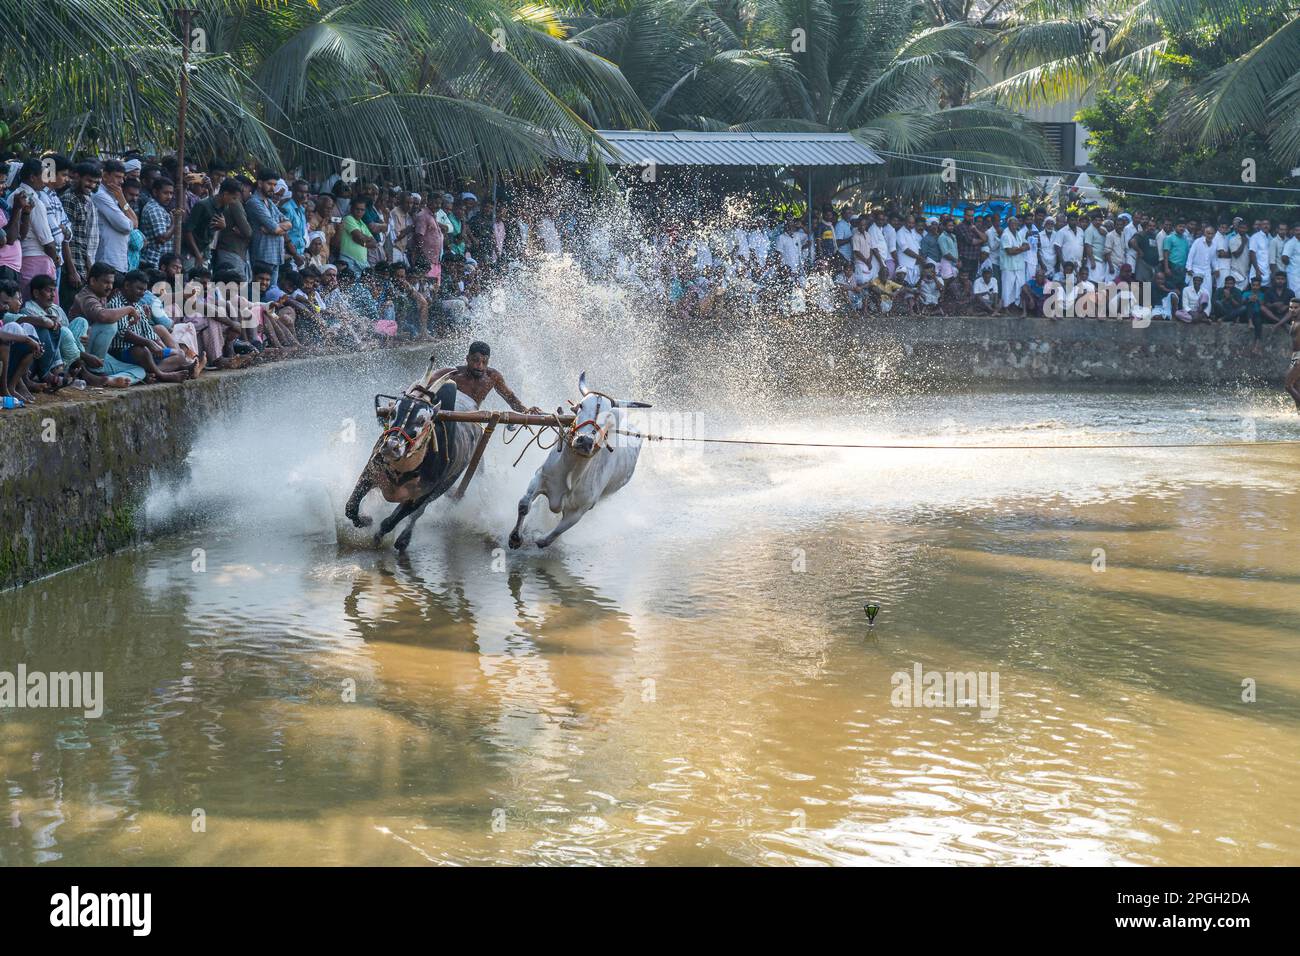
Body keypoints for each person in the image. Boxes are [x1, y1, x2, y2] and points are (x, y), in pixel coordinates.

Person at [428, 341, 541, 413]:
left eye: (484, 361)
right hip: (449, 415)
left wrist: (526, 411)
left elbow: (510, 399)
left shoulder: (492, 377)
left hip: (472, 418)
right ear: (467, 359)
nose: (480, 365)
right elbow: (424, 386)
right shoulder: (453, 374)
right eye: (475, 360)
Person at [1284, 299, 1300, 412]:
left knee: (1288, 385)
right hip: (1295, 356)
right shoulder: (1293, 321)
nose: (1293, 310)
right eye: (1291, 307)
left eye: (1296, 308)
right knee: (1296, 386)